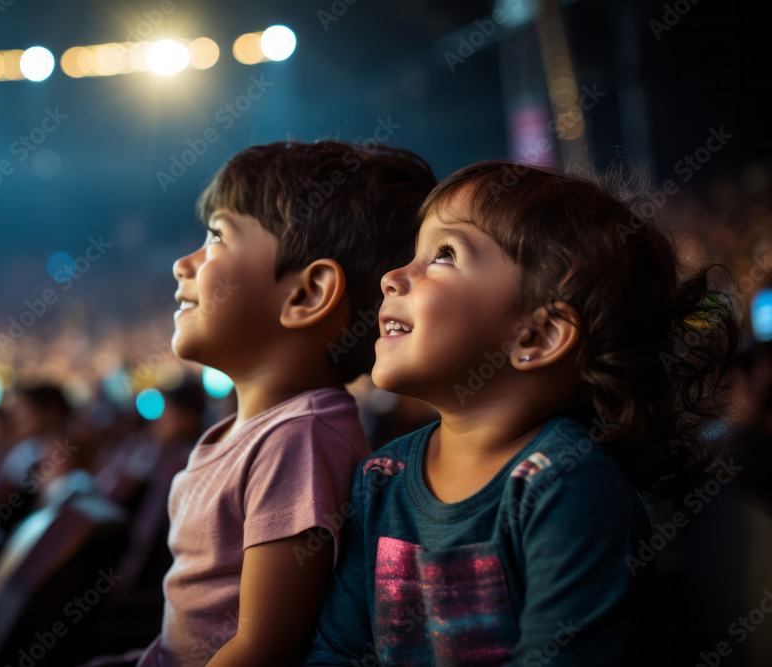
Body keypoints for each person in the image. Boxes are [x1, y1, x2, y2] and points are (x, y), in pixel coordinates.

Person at [305, 160, 740, 665]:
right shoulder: (382, 478)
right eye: (413, 254)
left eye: (444, 255)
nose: (391, 278)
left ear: (538, 336)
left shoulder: (564, 486)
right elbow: (335, 651)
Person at [134, 140, 437, 667]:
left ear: (307, 294)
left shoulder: (298, 439)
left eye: (217, 237)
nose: (183, 264)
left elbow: (261, 648)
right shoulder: (261, 430)